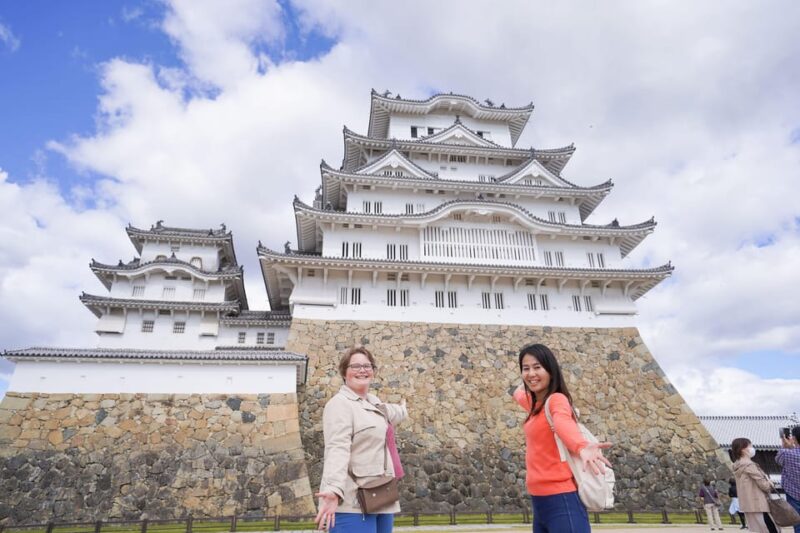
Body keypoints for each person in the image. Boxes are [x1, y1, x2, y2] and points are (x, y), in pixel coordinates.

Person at [512, 343, 612, 533]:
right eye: (526, 368)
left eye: (537, 367)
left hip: (562, 502)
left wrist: (581, 446)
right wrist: (528, 380)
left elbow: (563, 423)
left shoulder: (557, 400)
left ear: (551, 370)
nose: (531, 373)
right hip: (539, 503)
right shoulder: (535, 406)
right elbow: (517, 393)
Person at [314, 346, 407, 533]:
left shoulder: (375, 404)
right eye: (355, 366)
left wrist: (404, 408)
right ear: (344, 372)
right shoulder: (339, 405)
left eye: (367, 366)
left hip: (382, 495)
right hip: (352, 501)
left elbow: (396, 413)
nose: (362, 370)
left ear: (373, 371)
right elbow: (337, 449)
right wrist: (333, 489)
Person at [731, 437, 781, 533]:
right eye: (750, 446)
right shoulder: (750, 466)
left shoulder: (737, 466)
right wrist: (770, 483)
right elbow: (764, 486)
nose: (752, 448)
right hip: (759, 504)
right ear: (743, 449)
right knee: (771, 529)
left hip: (748, 505)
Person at [776, 426, 800, 533]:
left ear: (793, 438)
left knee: (797, 522)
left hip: (793, 493)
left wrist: (785, 446)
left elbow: (778, 460)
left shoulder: (786, 453)